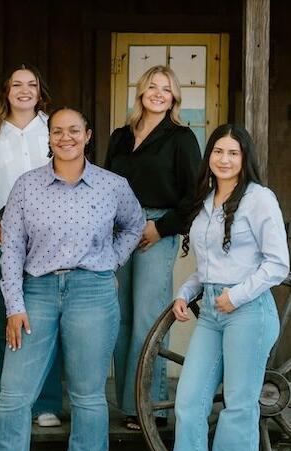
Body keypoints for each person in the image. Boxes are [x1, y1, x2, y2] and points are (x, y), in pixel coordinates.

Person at [0, 108, 144, 451]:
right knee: (14, 396)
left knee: (87, 396)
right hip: (38, 291)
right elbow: (11, 251)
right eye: (58, 131)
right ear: (49, 138)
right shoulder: (27, 187)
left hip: (92, 293)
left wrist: (110, 261)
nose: (65, 137)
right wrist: (15, 306)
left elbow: (134, 226)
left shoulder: (112, 186)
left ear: (88, 135)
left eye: (74, 131)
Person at [156, 125, 289, 451]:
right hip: (213, 311)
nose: (225, 159)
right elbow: (207, 266)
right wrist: (185, 291)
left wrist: (238, 295)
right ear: (209, 157)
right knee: (189, 403)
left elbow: (278, 263)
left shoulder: (259, 199)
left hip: (247, 311)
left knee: (238, 407)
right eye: (218, 151)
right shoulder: (206, 200)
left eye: (233, 152)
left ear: (244, 158)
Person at [105, 65, 201, 431]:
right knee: (121, 316)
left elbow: (195, 194)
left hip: (155, 228)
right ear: (141, 92)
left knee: (147, 315)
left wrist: (161, 228)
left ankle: (151, 408)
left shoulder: (181, 138)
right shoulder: (120, 137)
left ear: (174, 97)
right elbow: (105, 185)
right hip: (118, 228)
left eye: (167, 89)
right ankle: (129, 404)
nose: (159, 93)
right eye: (152, 87)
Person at [0, 63, 64, 426]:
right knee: (5, 317)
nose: (24, 90)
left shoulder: (53, 129)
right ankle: (5, 401)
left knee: (42, 318)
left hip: (46, 234)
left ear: (40, 92)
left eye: (31, 85)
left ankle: (46, 404)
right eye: (16, 85)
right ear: (5, 91)